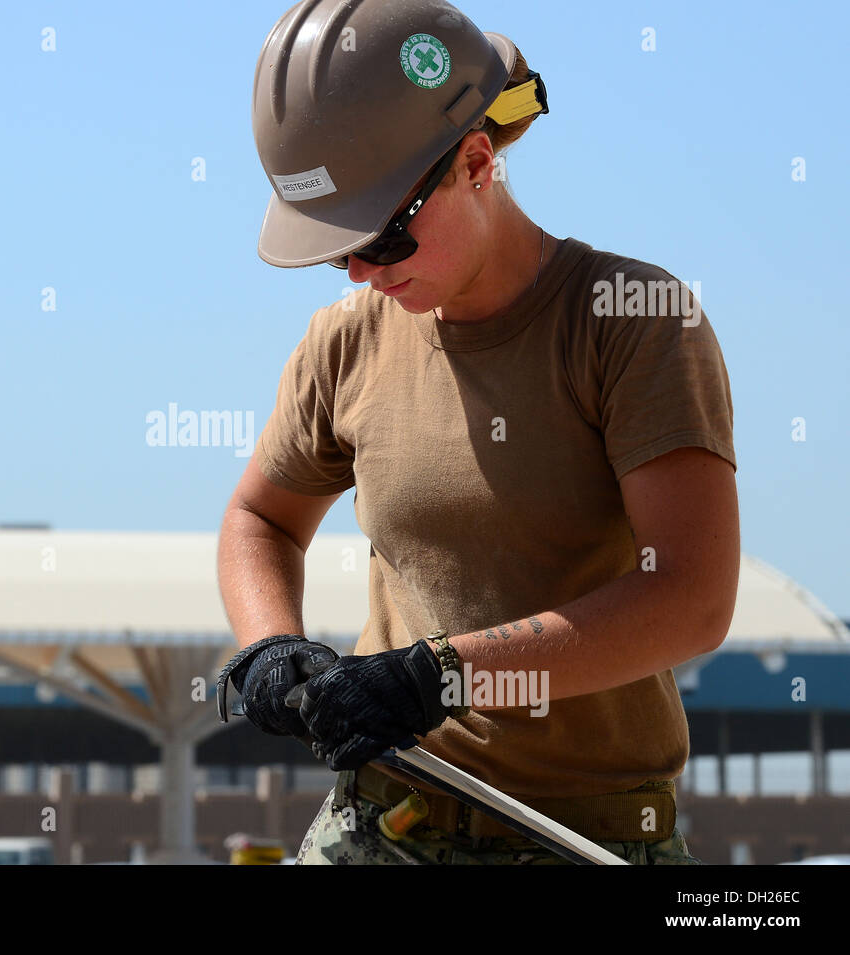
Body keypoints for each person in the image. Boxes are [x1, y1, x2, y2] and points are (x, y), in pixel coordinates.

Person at [216, 0, 739, 865]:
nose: (359, 272)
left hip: (583, 834)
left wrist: (441, 675)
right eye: (336, 251)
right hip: (385, 816)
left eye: (382, 237)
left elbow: (690, 597)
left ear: (476, 161)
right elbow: (259, 521)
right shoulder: (345, 343)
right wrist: (269, 640)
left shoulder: (632, 322)